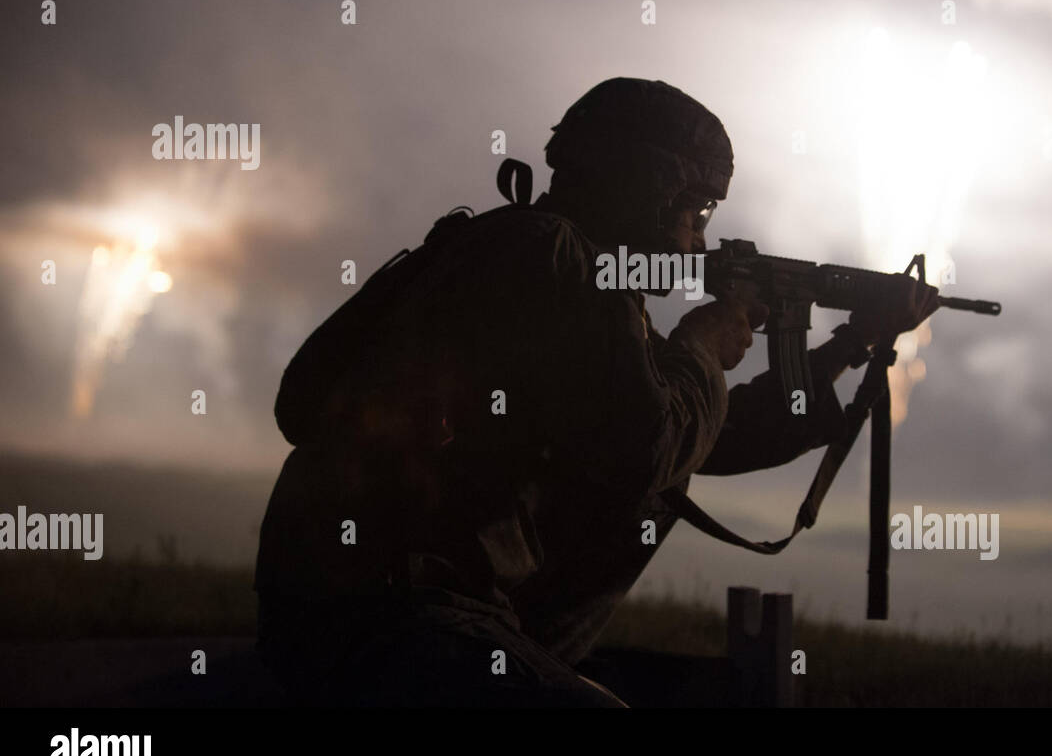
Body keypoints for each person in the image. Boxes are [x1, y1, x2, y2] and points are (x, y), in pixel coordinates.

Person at [254, 77, 939, 706]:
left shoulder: (550, 263)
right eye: (695, 211)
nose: (698, 240)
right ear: (648, 188)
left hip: (385, 610)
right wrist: (703, 346)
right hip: (394, 619)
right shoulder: (547, 259)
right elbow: (648, 449)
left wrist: (851, 343)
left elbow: (707, 438)